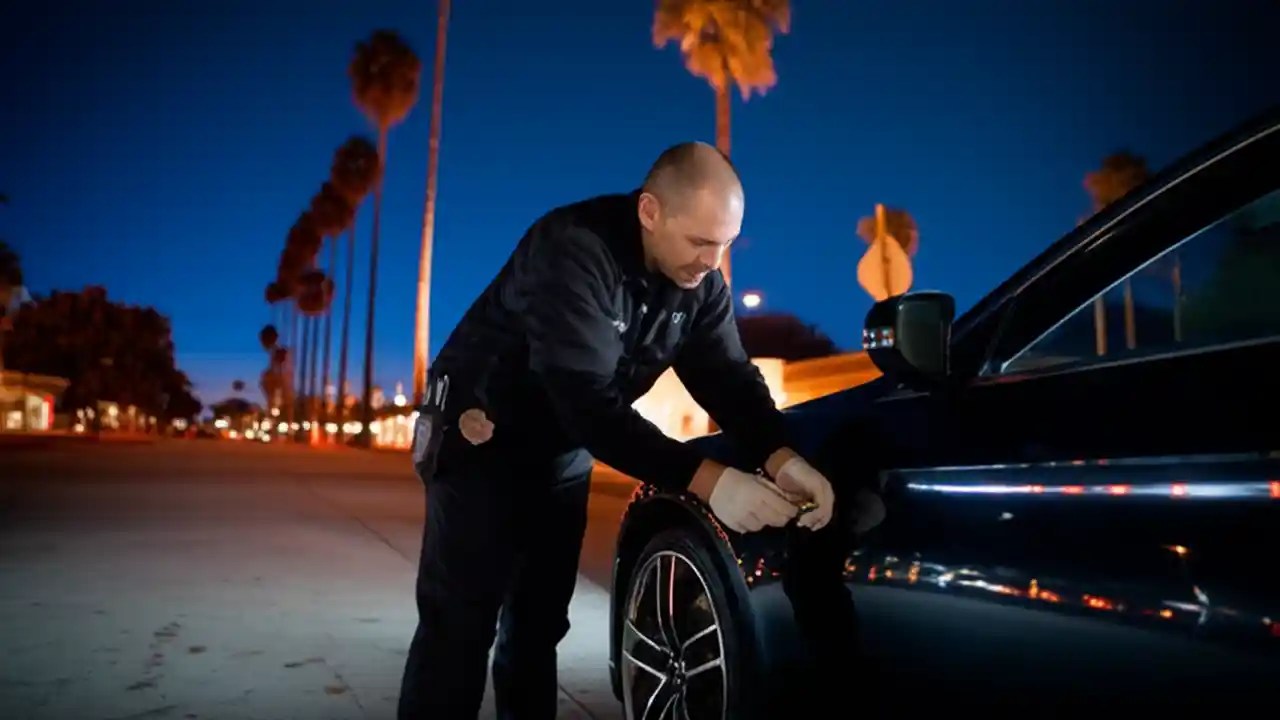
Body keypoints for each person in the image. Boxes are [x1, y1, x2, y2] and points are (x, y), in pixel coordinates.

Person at [396, 141, 839, 720]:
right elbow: (587, 401)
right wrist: (709, 481)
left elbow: (728, 377)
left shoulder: (700, 285)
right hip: (481, 438)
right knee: (460, 624)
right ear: (650, 212)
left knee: (538, 624)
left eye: (725, 244)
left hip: (562, 450)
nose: (713, 261)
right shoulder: (573, 249)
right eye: (700, 242)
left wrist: (785, 459)